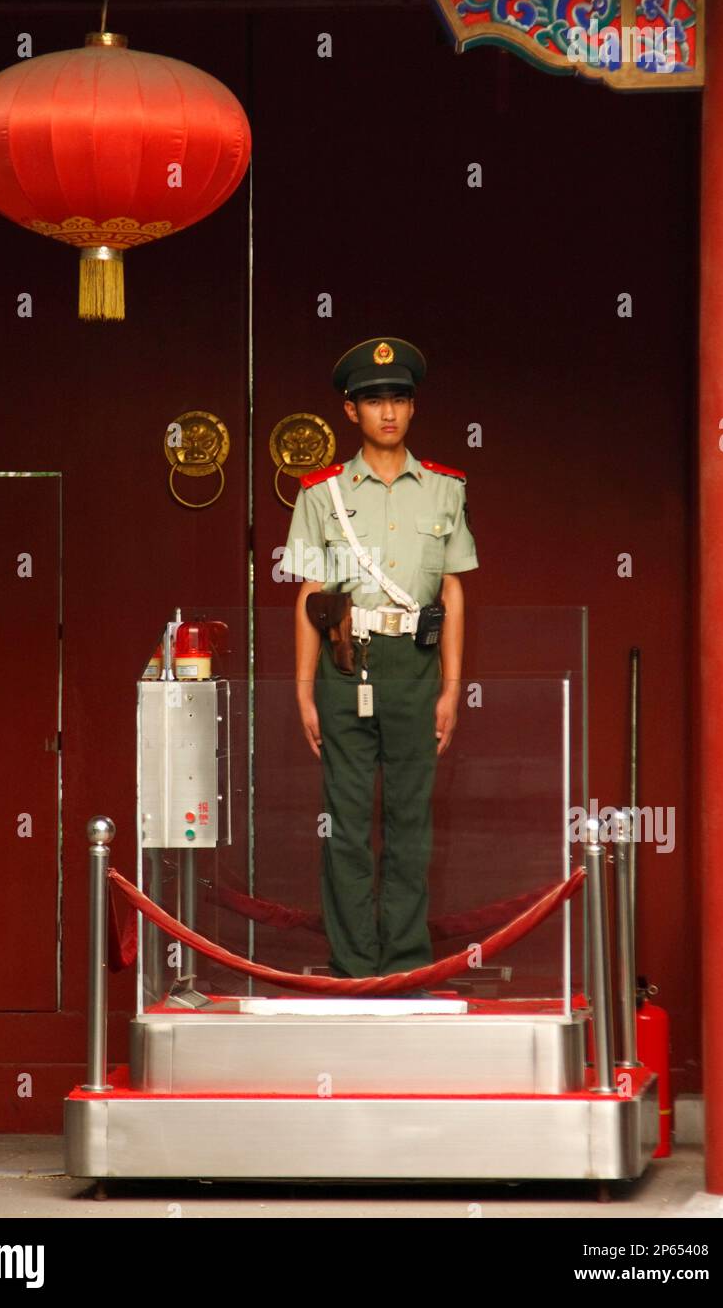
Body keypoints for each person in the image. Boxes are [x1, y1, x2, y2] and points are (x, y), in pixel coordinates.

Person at [280, 337, 479, 986]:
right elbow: (311, 593)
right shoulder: (322, 492)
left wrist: (451, 687)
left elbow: (451, 590)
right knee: (344, 822)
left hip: (416, 664)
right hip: (345, 663)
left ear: (413, 407)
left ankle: (405, 966)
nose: (387, 412)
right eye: (373, 401)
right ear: (351, 411)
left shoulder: (445, 489)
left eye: (398, 398)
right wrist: (304, 690)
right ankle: (354, 968)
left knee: (409, 820)